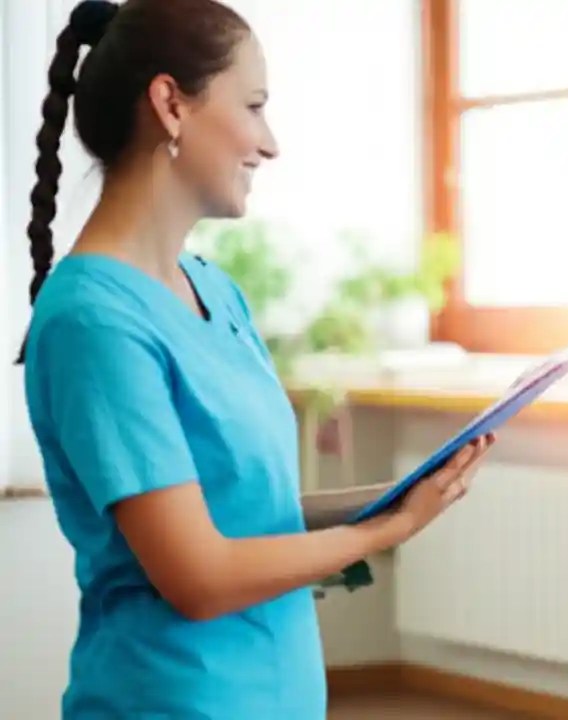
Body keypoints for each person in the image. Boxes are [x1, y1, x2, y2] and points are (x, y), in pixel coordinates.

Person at [17, 1, 493, 717]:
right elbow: (199, 575)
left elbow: (243, 513)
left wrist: (394, 496)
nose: (270, 144)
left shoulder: (215, 290)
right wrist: (388, 532)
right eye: (255, 106)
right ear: (170, 104)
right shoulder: (94, 321)